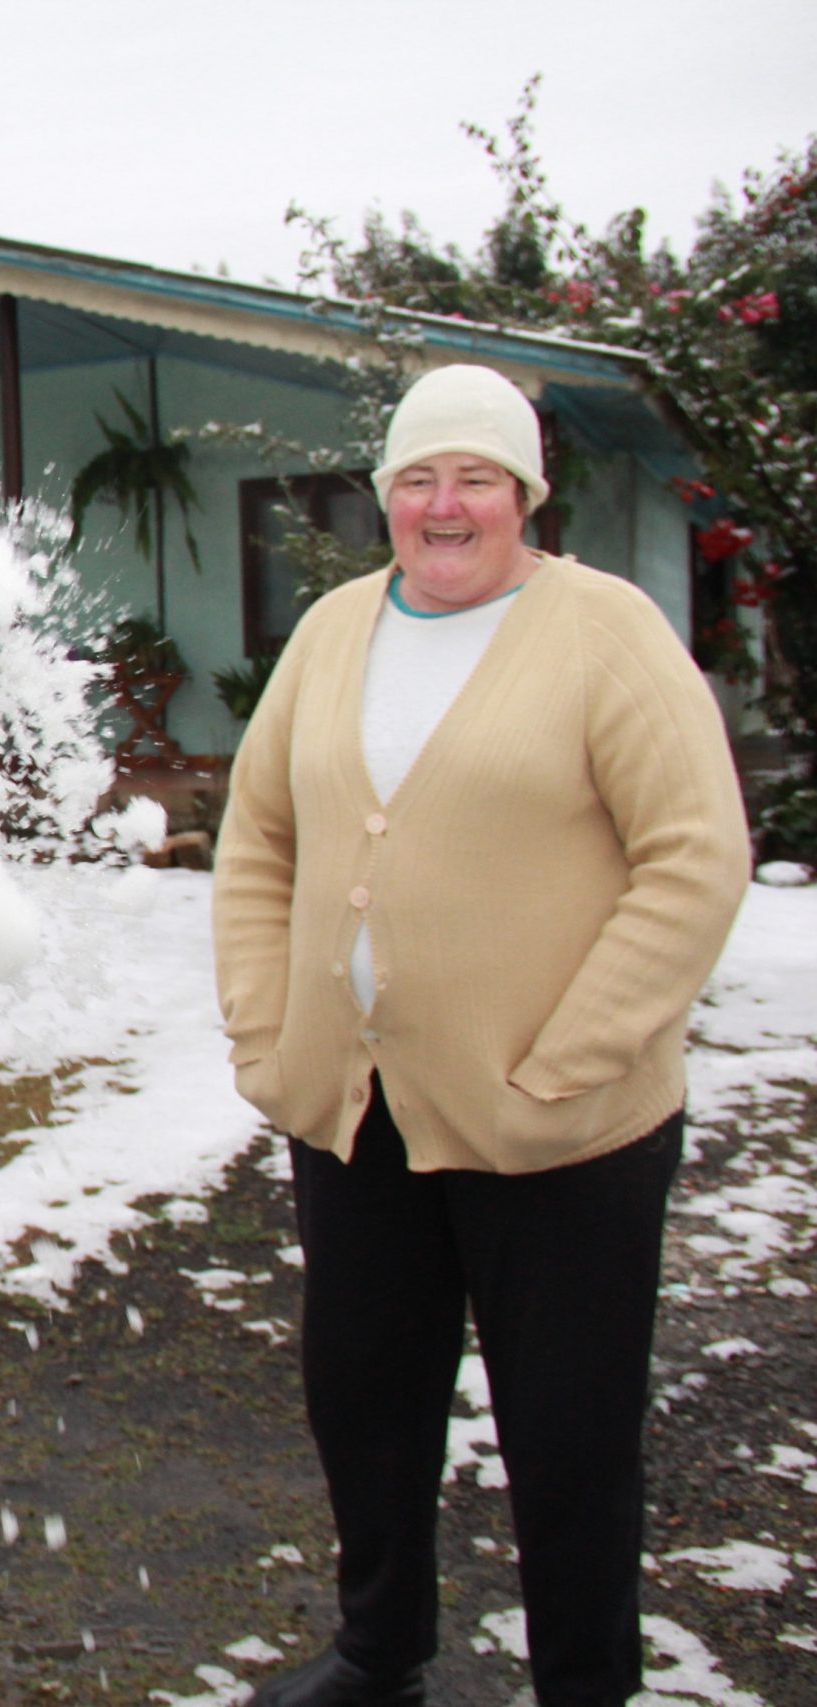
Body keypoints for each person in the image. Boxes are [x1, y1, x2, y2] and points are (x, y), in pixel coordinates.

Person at [211, 363, 751, 1707]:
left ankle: (584, 1686)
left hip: (565, 1129)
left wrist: (568, 1061)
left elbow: (694, 859)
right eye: (419, 479)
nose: (445, 505)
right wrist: (268, 1034)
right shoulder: (335, 631)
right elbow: (259, 841)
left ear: (525, 496)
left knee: (568, 1436)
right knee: (366, 1402)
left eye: (477, 479)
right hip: (358, 1107)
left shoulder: (603, 631)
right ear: (385, 493)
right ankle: (380, 1651)